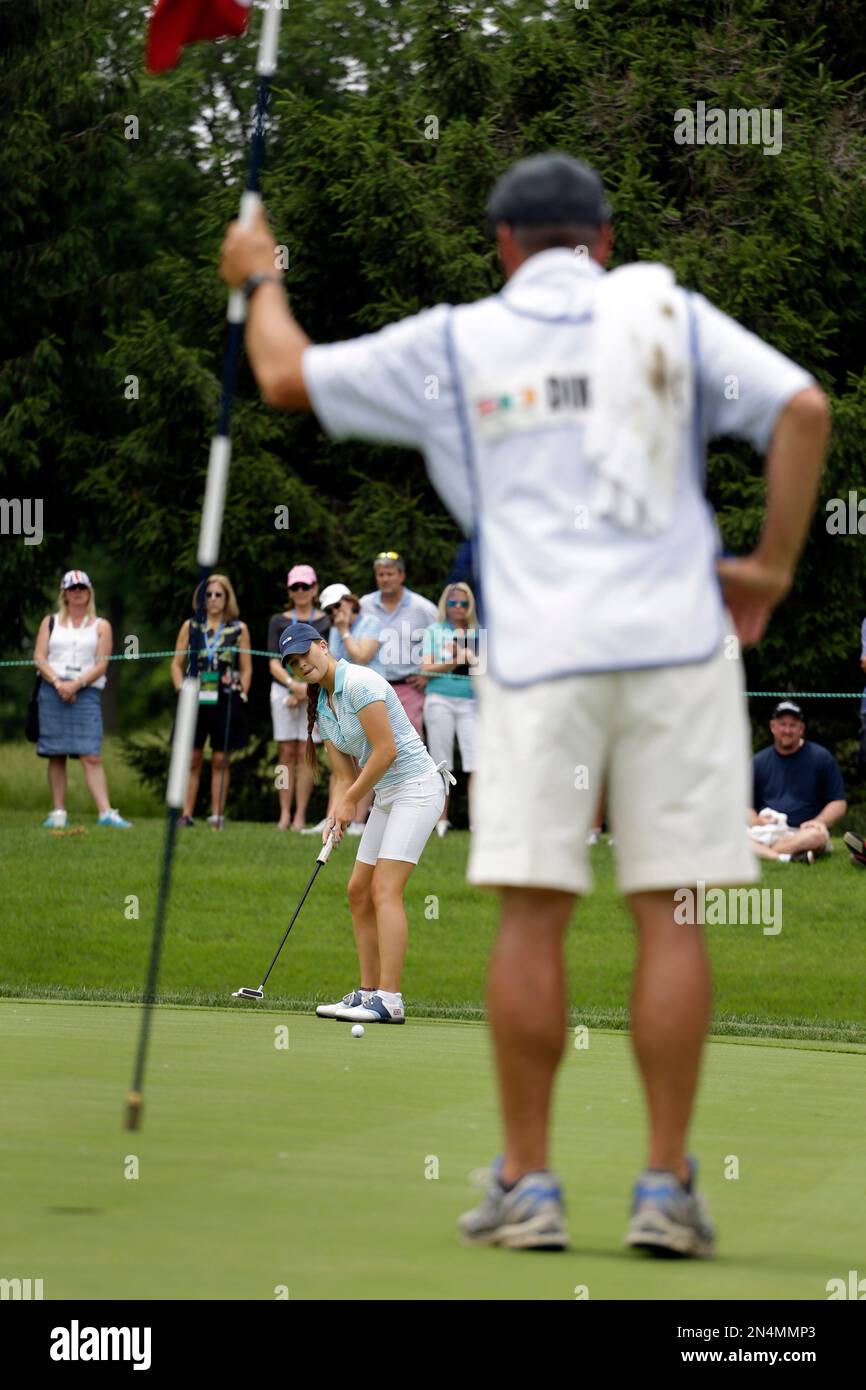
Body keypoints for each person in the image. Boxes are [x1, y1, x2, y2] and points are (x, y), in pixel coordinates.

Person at [219, 149, 831, 1254]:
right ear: (601, 243)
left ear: (502, 248)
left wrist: (258, 272)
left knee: (533, 914)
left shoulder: (460, 339)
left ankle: (529, 1184)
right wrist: (769, 569)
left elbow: (281, 373)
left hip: (541, 659)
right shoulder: (664, 311)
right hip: (676, 648)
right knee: (672, 913)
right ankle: (662, 1189)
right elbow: (801, 409)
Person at [279, 621, 455, 1025]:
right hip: (388, 794)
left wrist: (352, 803)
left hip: (418, 787)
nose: (301, 663)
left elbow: (385, 752)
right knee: (358, 889)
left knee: (384, 888)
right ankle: (368, 991)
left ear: (323, 646)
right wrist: (335, 815)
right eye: (292, 662)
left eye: (305, 653)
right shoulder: (323, 706)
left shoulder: (360, 683)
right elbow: (342, 776)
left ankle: (390, 999)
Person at [33, 569, 131, 828]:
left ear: (89, 593)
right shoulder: (50, 622)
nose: (77, 593)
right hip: (52, 690)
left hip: (85, 692)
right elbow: (40, 658)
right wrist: (58, 683)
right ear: (64, 594)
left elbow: (101, 664)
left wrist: (75, 685)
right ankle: (58, 812)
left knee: (91, 754)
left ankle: (105, 812)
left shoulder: (101, 626)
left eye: (82, 588)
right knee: (56, 754)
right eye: (72, 589)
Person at [171, 574, 251, 828]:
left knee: (220, 758)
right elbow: (176, 663)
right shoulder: (191, 626)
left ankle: (217, 814)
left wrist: (243, 692)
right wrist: (180, 689)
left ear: (227, 598)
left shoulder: (239, 628)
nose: (213, 599)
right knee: (193, 758)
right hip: (194, 697)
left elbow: (247, 667)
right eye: (209, 594)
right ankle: (186, 814)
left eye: (219, 594)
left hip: (226, 698)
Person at [267, 565, 329, 831]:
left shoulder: (325, 620)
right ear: (290, 591)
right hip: (285, 687)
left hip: (314, 688)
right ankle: (284, 814)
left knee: (307, 751)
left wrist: (305, 690)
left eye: (305, 586)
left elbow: (326, 657)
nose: (301, 592)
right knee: (285, 752)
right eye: (295, 587)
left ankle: (300, 815)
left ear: (314, 589)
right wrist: (293, 685)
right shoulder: (278, 620)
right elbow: (272, 661)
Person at [320, 581, 384, 834]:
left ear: (349, 601)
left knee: (368, 759)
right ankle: (332, 815)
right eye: (329, 610)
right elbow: (332, 664)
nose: (334, 613)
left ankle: (357, 820)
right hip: (344, 697)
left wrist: (345, 630)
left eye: (337, 606)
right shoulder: (336, 629)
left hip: (370, 698)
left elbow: (361, 657)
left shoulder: (371, 623)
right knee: (342, 761)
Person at [748, 701, 846, 863]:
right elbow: (744, 804)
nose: (787, 730)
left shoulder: (821, 757)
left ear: (801, 729)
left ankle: (764, 851)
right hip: (767, 829)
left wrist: (818, 821)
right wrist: (756, 821)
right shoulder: (758, 762)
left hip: (802, 832)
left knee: (817, 837)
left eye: (793, 725)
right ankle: (785, 857)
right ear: (773, 727)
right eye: (782, 725)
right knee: (729, 834)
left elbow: (838, 803)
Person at [420, 581, 479, 835]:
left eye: (463, 603)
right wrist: (457, 659)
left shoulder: (479, 633)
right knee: (441, 761)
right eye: (453, 602)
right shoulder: (434, 631)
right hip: (439, 699)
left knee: (476, 761)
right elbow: (426, 668)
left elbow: (484, 671)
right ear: (446, 604)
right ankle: (440, 819)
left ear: (470, 606)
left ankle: (478, 822)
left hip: (471, 701)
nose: (457, 607)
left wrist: (469, 657)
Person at [359, 553, 437, 737]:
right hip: (371, 689)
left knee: (410, 744)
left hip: (408, 688)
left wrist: (428, 674)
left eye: (390, 574)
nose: (385, 579)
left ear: (401, 575)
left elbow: (441, 640)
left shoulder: (423, 608)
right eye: (380, 574)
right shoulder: (364, 605)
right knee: (374, 743)